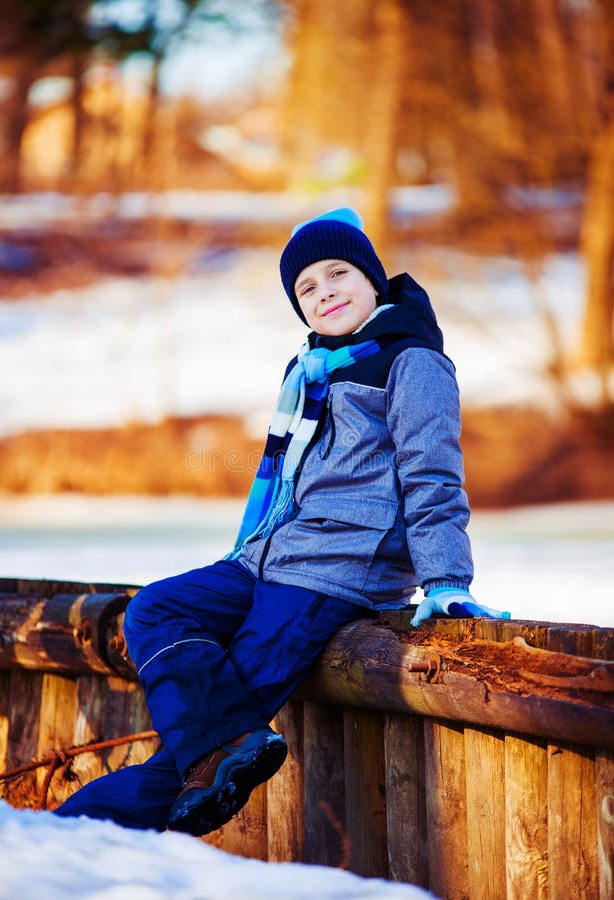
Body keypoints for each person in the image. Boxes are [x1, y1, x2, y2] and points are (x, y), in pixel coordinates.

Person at [55, 207, 508, 835]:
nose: (325, 293)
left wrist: (445, 580)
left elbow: (431, 473)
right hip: (268, 555)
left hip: (334, 572)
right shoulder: (312, 368)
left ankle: (77, 832)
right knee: (156, 610)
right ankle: (222, 750)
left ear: (373, 278)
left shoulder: (412, 362)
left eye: (337, 274)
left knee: (206, 746)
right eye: (307, 288)